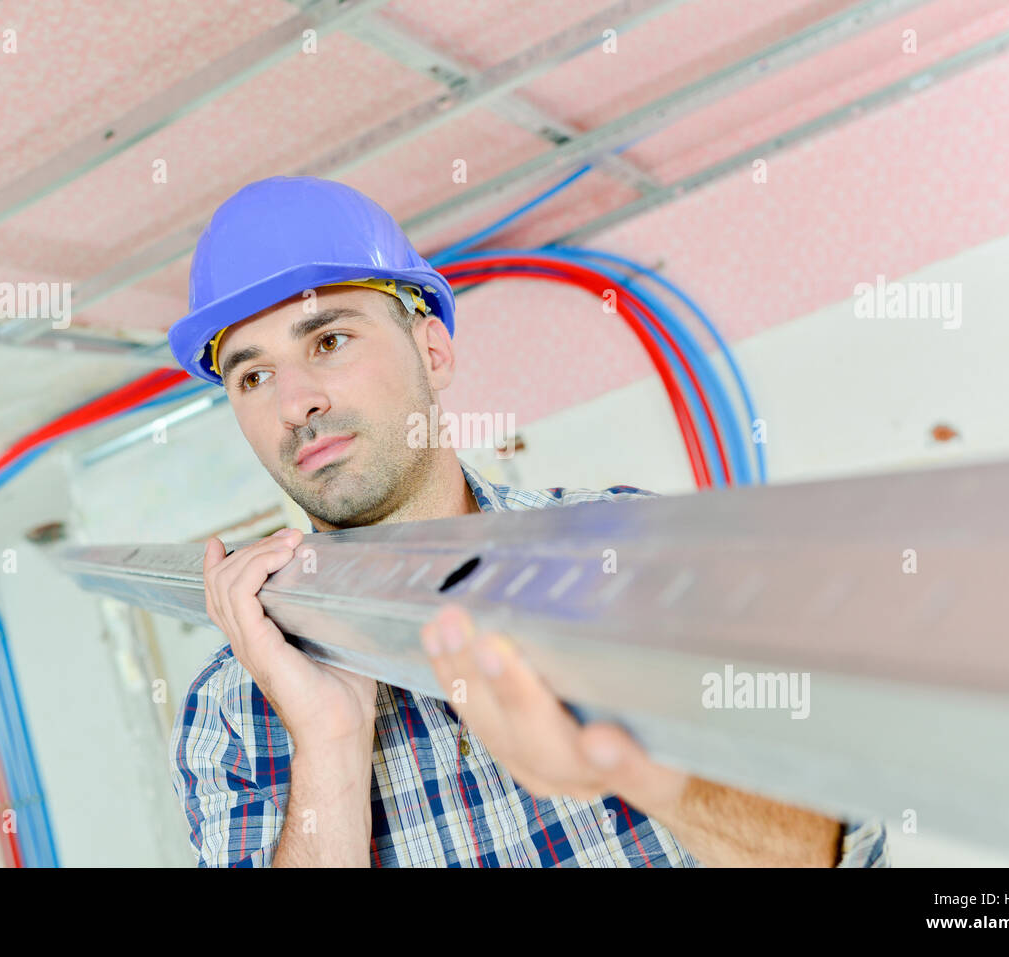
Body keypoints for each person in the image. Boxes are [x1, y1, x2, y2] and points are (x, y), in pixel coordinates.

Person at [165, 175, 889, 867]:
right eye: (253, 376)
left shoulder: (628, 555)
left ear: (433, 350)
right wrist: (329, 739)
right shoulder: (233, 710)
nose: (295, 402)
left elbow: (836, 843)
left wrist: (647, 769)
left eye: (328, 340)